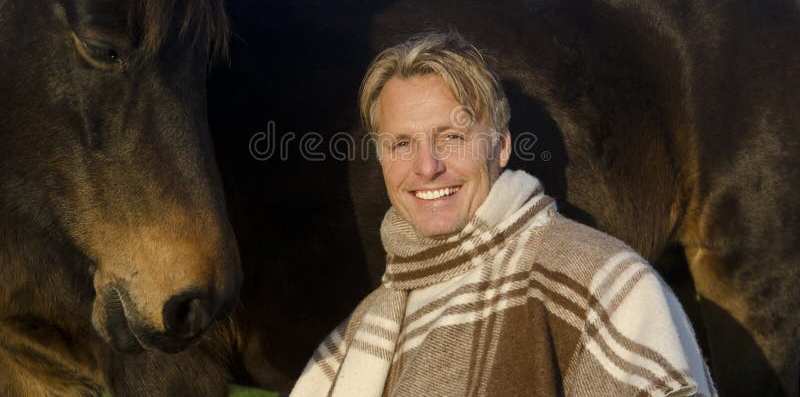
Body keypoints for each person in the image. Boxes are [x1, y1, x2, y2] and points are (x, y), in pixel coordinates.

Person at [290, 32, 715, 397]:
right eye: (402, 144)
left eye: (451, 137)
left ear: (501, 146)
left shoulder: (603, 286)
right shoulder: (354, 340)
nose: (426, 167)